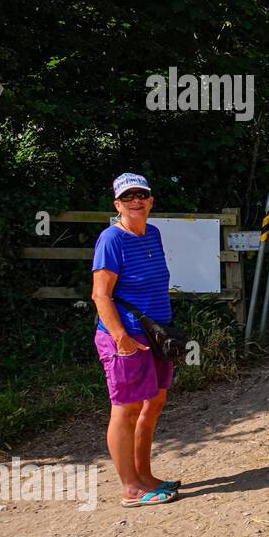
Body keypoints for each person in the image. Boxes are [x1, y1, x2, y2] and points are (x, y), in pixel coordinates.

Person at [91, 173, 180, 507]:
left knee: (153, 403)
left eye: (142, 194)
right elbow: (101, 295)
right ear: (118, 204)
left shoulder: (152, 233)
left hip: (156, 334)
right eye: (128, 196)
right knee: (125, 409)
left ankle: (145, 476)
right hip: (125, 337)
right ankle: (131, 488)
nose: (136, 201)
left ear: (151, 200)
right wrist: (120, 337)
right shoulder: (111, 239)